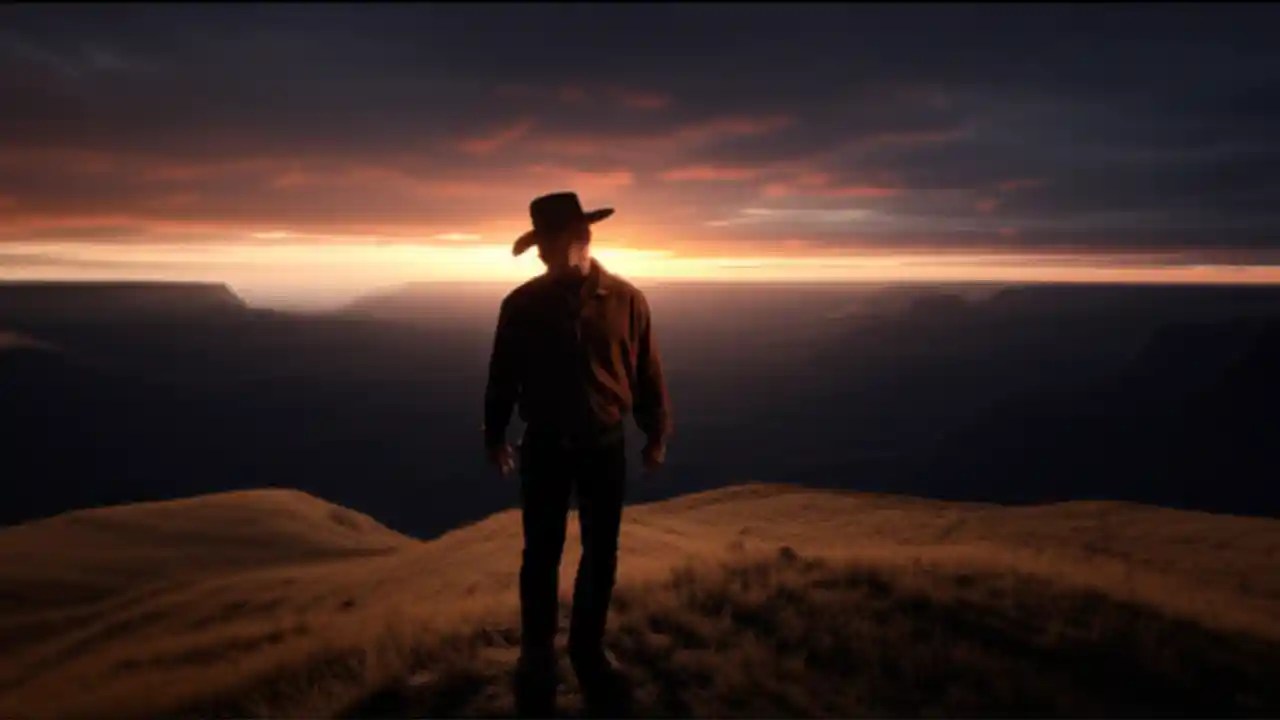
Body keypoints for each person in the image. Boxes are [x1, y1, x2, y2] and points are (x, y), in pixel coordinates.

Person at [484, 191, 672, 717]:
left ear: (579, 239)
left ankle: (587, 648)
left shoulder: (629, 300)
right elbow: (501, 377)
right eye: (542, 245)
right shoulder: (519, 306)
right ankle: (538, 651)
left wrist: (655, 432)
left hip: (604, 445)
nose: (545, 254)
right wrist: (495, 435)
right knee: (540, 553)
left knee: (600, 552)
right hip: (544, 443)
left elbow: (647, 372)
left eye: (551, 243)